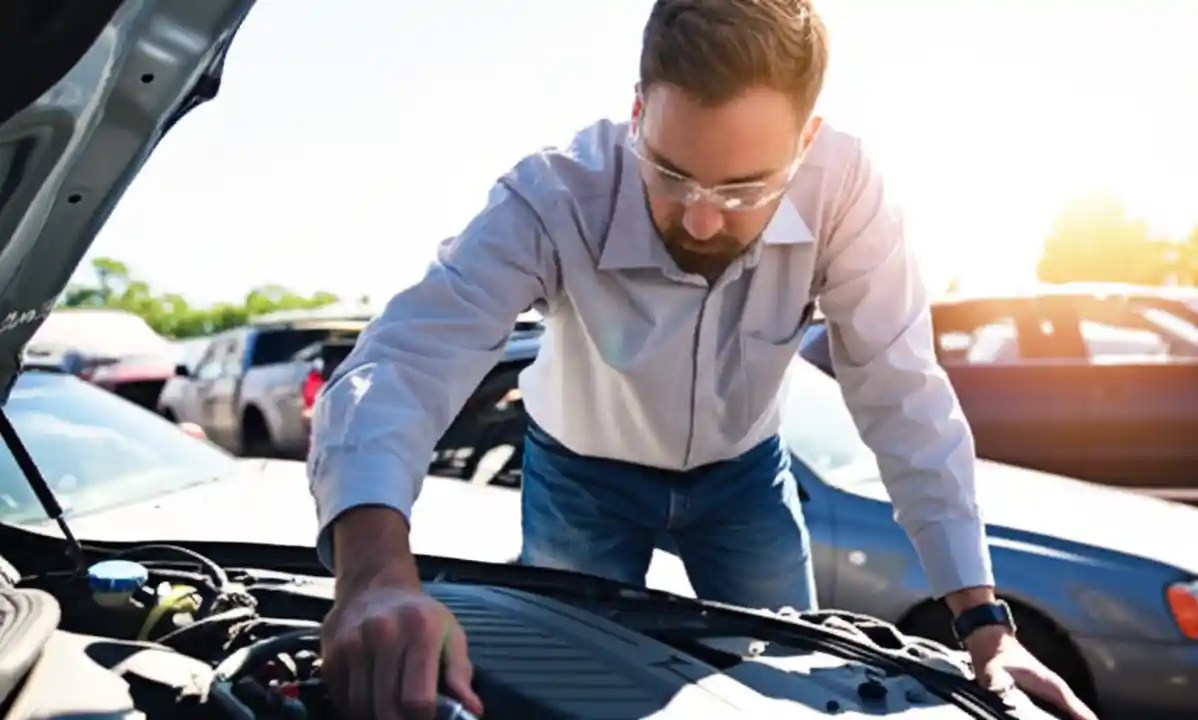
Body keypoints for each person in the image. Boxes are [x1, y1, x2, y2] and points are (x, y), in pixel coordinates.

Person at [306, 1, 1098, 719]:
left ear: (808, 141)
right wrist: (374, 577)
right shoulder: (551, 194)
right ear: (638, 110)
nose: (704, 217)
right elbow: (407, 360)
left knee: (793, 684)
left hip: (744, 480)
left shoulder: (848, 191)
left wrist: (987, 628)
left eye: (748, 186)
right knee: (569, 691)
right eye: (671, 172)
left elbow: (904, 394)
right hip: (579, 479)